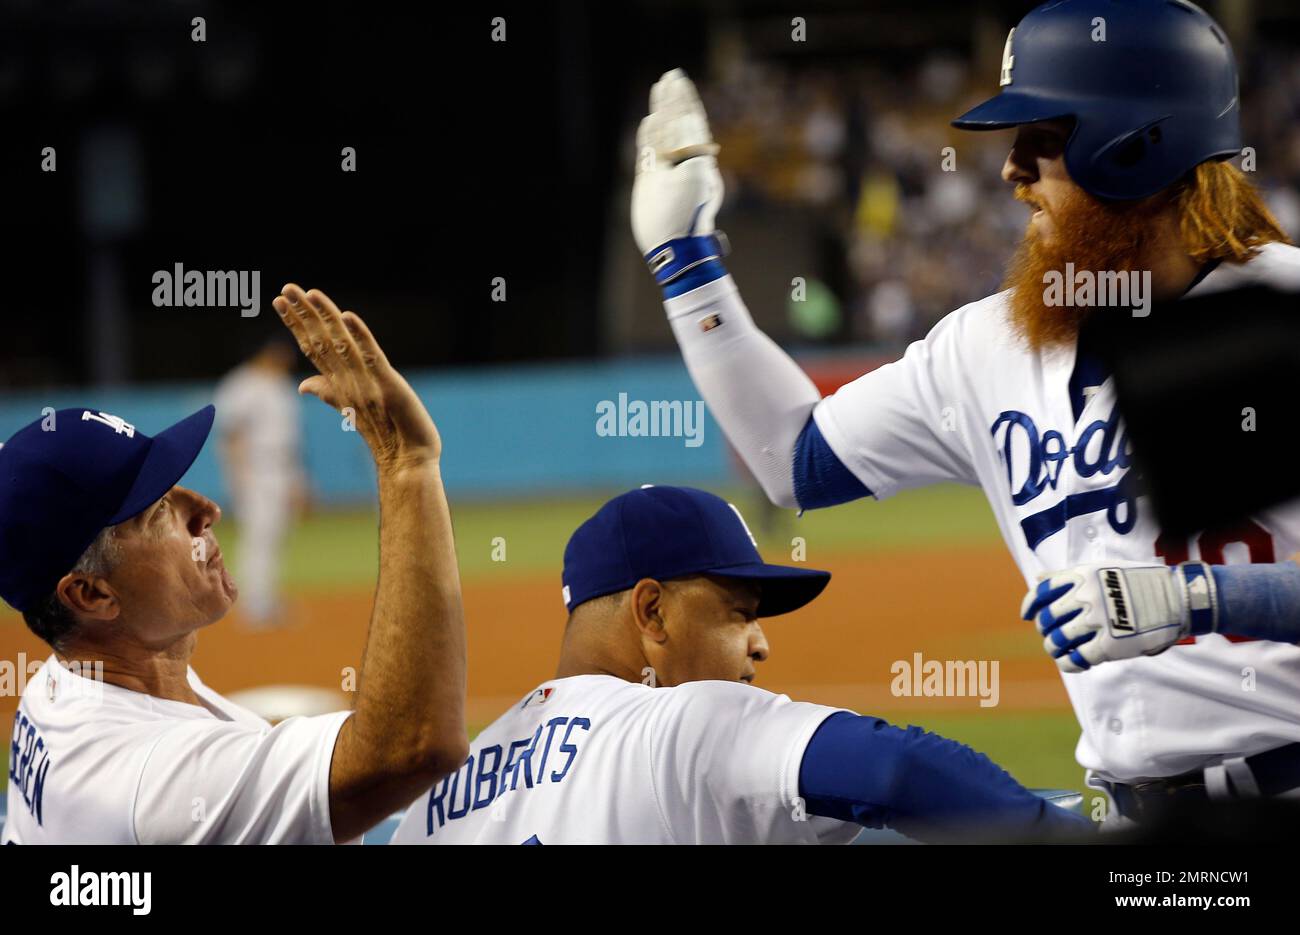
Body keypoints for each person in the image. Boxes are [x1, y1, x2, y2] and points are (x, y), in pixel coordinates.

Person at [630, 0, 1300, 827]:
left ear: (1137, 145)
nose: (1013, 170)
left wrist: (1198, 597)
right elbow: (793, 457)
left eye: (1043, 138)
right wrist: (687, 263)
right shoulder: (990, 345)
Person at [1, 284, 467, 844]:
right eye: (155, 513)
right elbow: (412, 748)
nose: (206, 509)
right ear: (92, 596)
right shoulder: (152, 782)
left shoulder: (74, 681)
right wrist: (405, 465)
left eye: (175, 487)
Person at [390, 484, 1092, 844]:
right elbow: (897, 769)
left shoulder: (434, 797)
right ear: (652, 611)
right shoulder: (681, 722)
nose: (761, 644)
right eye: (738, 612)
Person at [214, 336, 308, 628]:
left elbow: (289, 441)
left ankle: (264, 599)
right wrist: (240, 476)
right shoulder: (242, 384)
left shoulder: (280, 386)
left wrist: (296, 479)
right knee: (257, 535)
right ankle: (251, 606)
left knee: (276, 534)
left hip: (281, 467)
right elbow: (231, 433)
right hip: (256, 469)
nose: (284, 359)